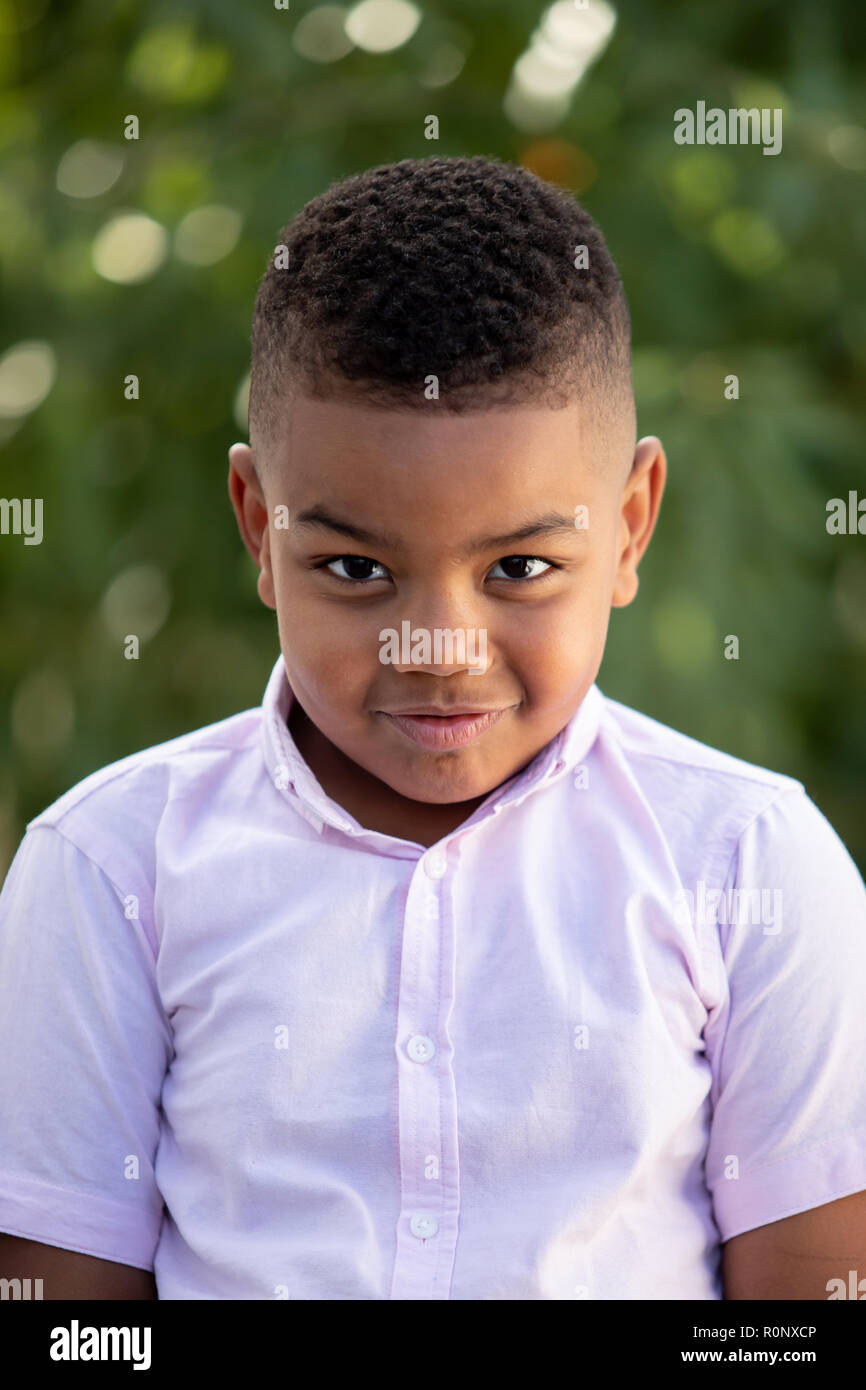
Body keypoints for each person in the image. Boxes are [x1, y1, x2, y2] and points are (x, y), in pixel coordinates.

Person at [1, 155, 865, 1301]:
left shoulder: (749, 862)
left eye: (519, 566)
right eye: (355, 568)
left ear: (629, 525)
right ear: (259, 528)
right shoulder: (109, 869)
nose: (436, 647)